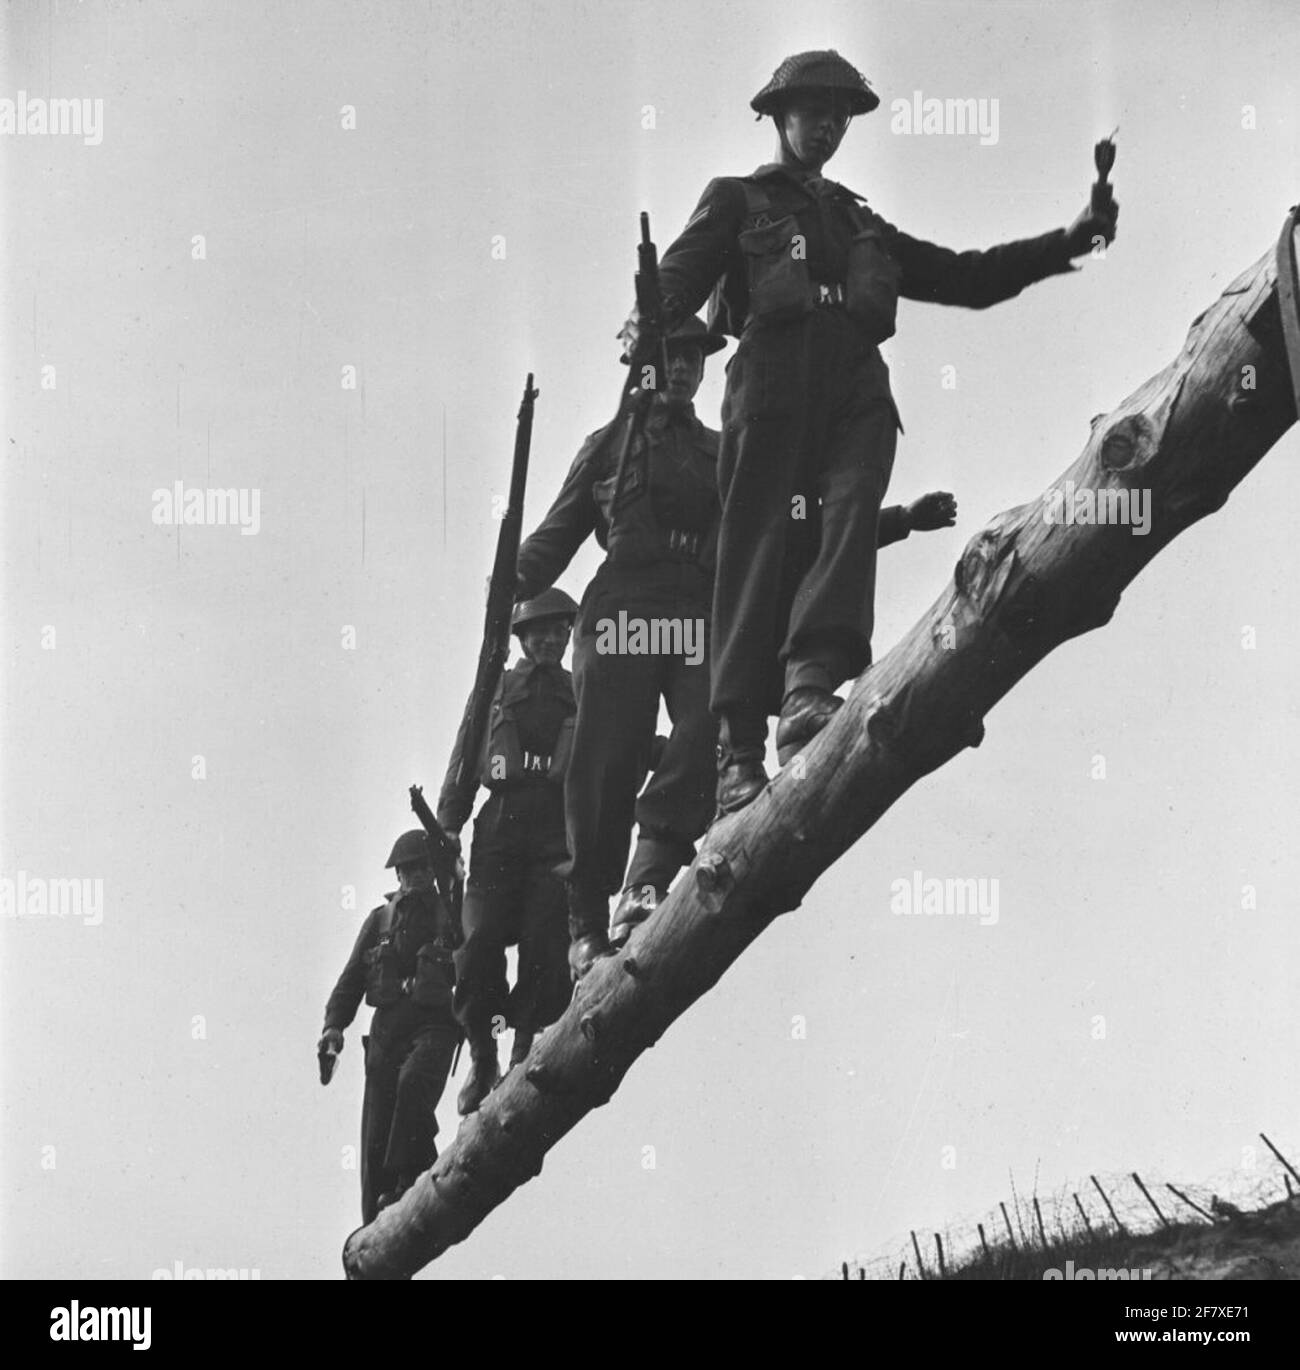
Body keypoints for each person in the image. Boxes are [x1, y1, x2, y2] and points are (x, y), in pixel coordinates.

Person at [620, 49, 1119, 815]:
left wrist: (1068, 240)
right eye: (814, 111)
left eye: (841, 116)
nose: (827, 126)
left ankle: (812, 683)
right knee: (755, 548)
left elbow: (964, 276)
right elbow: (677, 283)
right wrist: (644, 322)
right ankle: (738, 753)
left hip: (855, 385)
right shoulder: (736, 199)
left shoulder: (860, 221)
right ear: (779, 116)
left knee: (851, 509)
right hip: (772, 385)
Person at [516, 316, 958, 978]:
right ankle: (585, 920)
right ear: (646, 365)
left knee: (710, 726)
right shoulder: (608, 445)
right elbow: (552, 541)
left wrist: (893, 521)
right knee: (607, 755)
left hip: (694, 612)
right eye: (676, 357)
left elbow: (789, 524)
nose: (690, 368)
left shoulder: (721, 452)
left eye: (698, 357)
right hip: (621, 612)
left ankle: (649, 874)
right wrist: (511, 584)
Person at [436, 589, 578, 1114]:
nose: (548, 639)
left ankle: (522, 1044)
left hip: (555, 826)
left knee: (545, 940)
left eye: (558, 631)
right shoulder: (495, 687)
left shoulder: (578, 687)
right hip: (500, 822)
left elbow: (615, 741)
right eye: (538, 631)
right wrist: (448, 825)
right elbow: (468, 749)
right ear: (520, 637)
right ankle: (483, 1051)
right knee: (478, 944)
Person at [318, 830, 461, 1223]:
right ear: (398, 873)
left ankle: (408, 1178)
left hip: (435, 1026)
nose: (414, 875)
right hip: (386, 1034)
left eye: (422, 867)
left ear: (433, 870)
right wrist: (333, 1028)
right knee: (376, 1133)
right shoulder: (380, 920)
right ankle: (376, 1226)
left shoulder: (452, 910)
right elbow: (351, 980)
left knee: (413, 1083)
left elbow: (479, 961)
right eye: (408, 869)